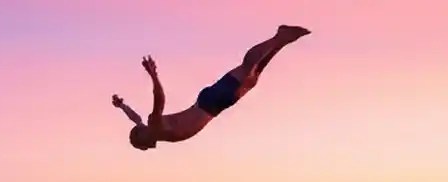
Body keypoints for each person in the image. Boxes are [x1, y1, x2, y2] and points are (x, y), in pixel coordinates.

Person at [115, 25, 310, 151]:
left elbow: (159, 100)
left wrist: (153, 76)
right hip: (211, 104)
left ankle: (279, 37)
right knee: (252, 77)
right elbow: (137, 119)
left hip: (211, 103)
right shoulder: (152, 129)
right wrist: (123, 106)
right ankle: (282, 41)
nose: (146, 146)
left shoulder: (154, 127)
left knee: (247, 68)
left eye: (141, 142)